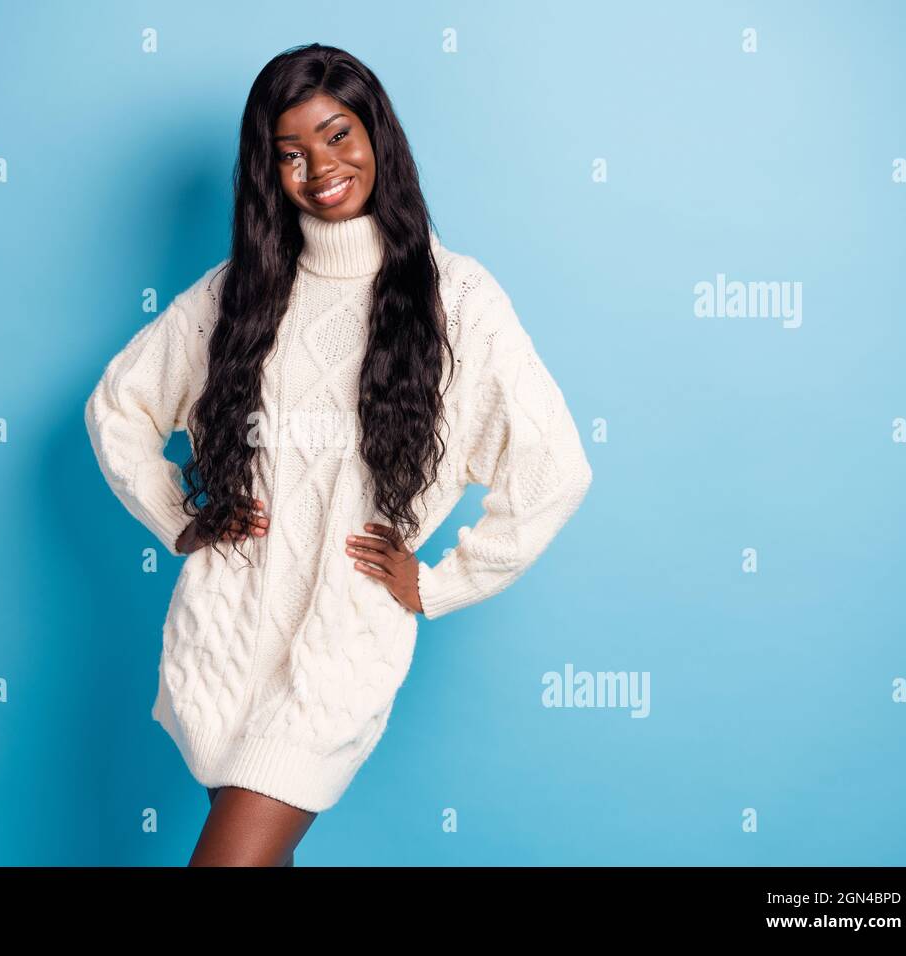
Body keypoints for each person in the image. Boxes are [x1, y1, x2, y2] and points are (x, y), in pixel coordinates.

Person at [84, 42, 593, 866]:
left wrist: (437, 582)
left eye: (338, 134)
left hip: (339, 651)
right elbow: (118, 406)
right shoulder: (236, 292)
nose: (320, 166)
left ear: (377, 135)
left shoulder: (457, 298)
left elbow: (555, 468)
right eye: (291, 153)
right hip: (223, 635)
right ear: (268, 172)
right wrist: (184, 518)